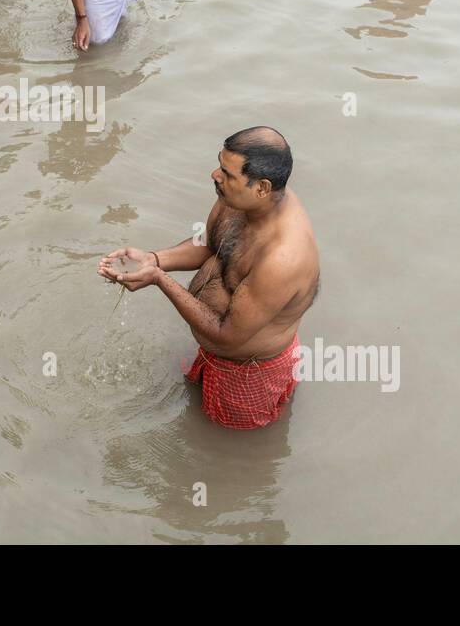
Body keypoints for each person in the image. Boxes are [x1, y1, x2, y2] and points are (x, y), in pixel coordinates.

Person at [100, 128, 320, 430]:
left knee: (234, 457)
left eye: (227, 174)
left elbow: (227, 334)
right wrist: (154, 259)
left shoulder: (283, 257)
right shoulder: (240, 198)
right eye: (220, 165)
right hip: (212, 350)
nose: (215, 175)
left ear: (262, 187)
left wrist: (159, 279)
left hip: (248, 372)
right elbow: (210, 244)